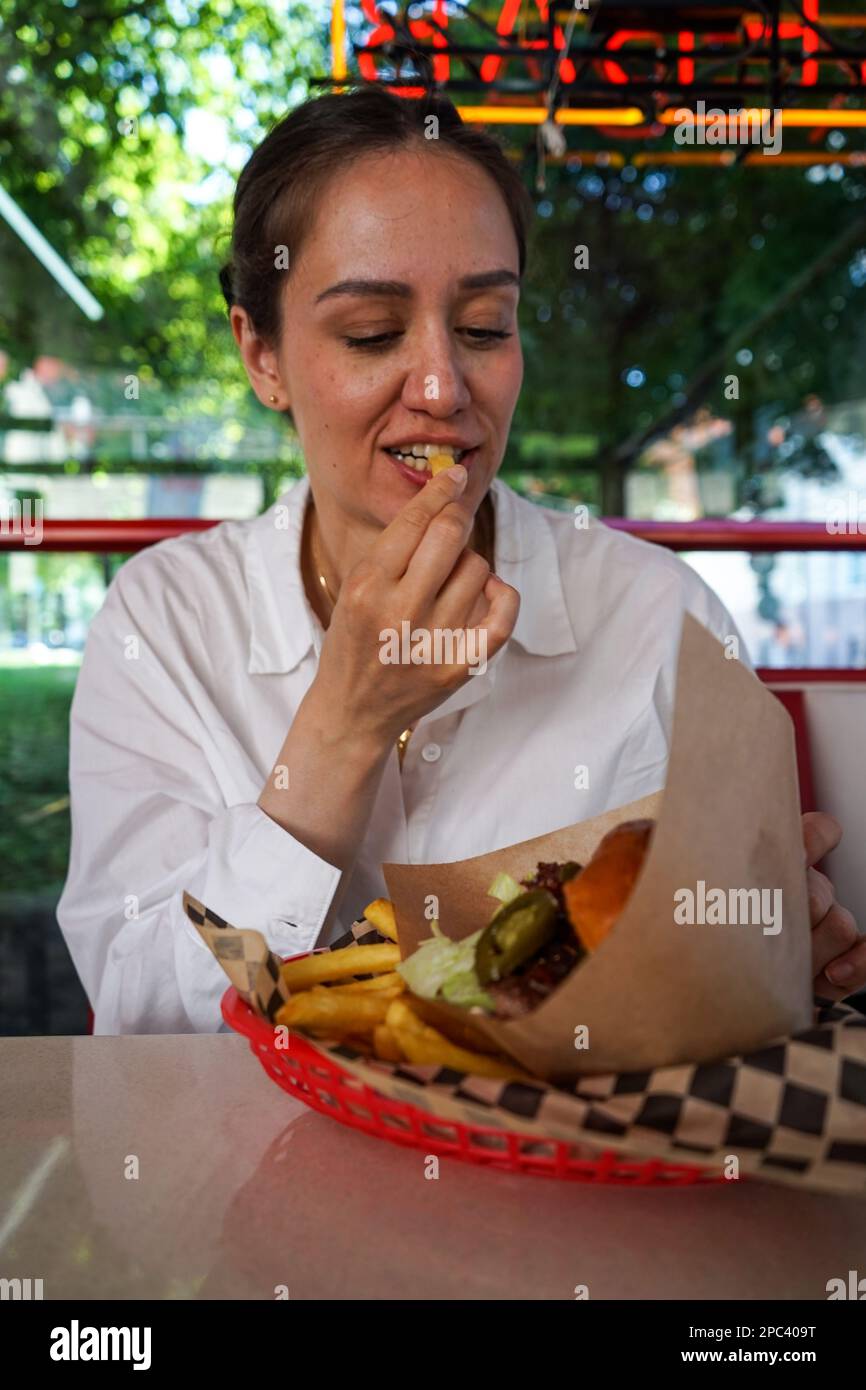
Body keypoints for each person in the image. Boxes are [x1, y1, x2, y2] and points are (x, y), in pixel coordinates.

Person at [56, 87, 864, 1034]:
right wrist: (344, 728)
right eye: (373, 334)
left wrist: (761, 959)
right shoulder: (165, 623)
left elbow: (712, 1002)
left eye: (484, 327)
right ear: (261, 353)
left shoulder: (660, 619)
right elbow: (143, 1014)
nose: (443, 389)